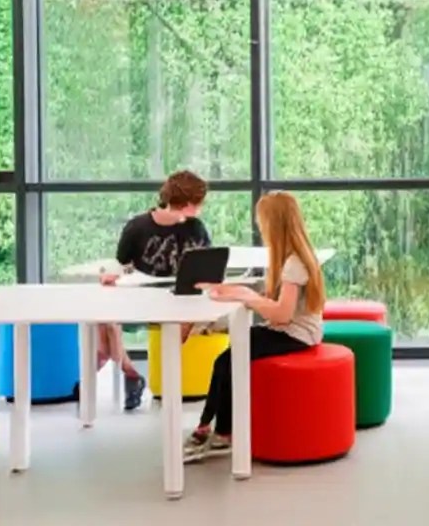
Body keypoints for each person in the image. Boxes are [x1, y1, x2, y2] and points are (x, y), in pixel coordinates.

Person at [183, 191, 325, 462]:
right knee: (225, 359)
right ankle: (209, 426)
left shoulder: (294, 264)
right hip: (293, 331)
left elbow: (282, 314)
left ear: (274, 223)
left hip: (296, 335)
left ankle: (221, 433)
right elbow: (274, 299)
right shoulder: (291, 257)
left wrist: (247, 297)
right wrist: (229, 289)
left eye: (262, 222)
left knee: (228, 360)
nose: (260, 228)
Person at [98, 170, 212, 410]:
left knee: (186, 318)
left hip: (181, 299)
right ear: (189, 204)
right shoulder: (137, 227)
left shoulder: (196, 228)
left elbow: (206, 265)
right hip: (142, 296)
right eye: (198, 203)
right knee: (105, 325)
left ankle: (160, 377)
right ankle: (131, 372)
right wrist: (114, 276)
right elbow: (121, 265)